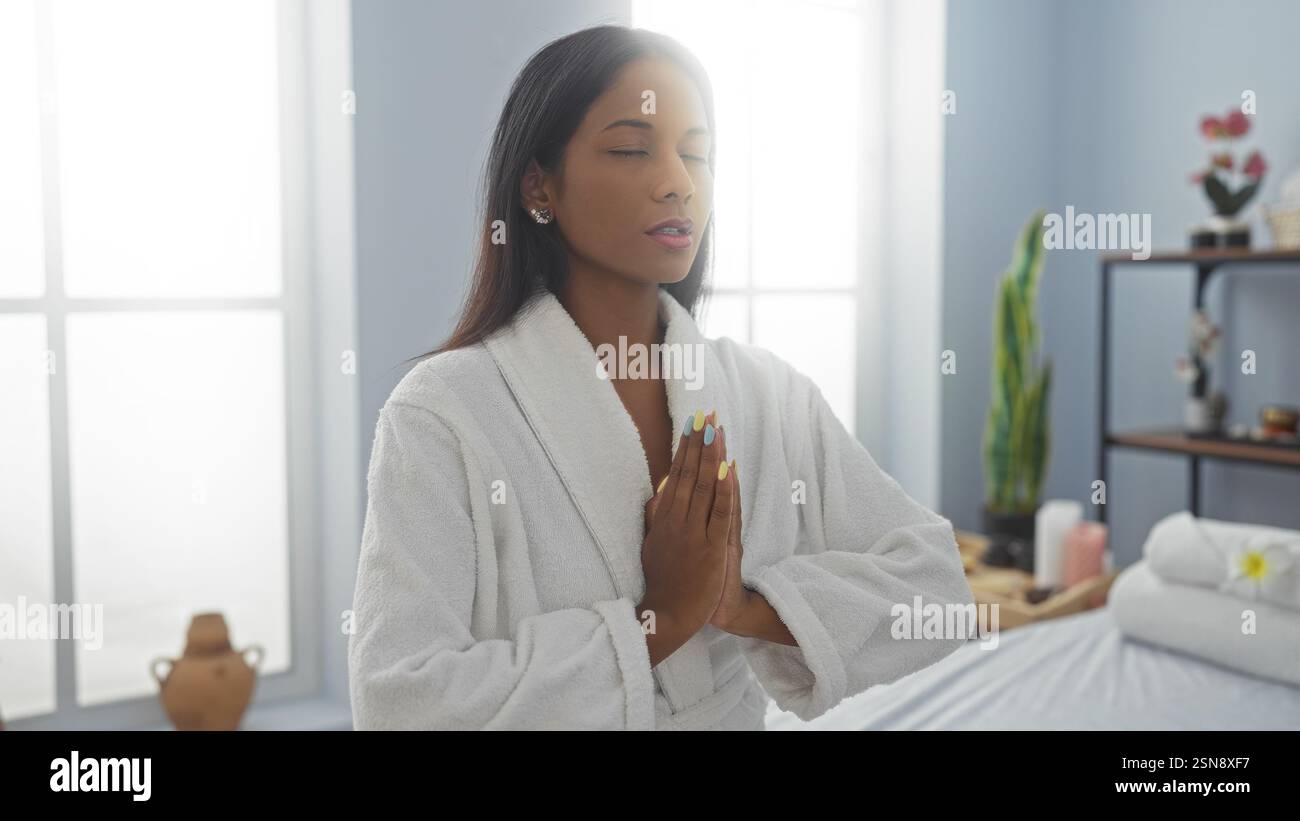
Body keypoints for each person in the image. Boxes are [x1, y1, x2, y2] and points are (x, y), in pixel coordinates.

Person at [347, 24, 974, 730]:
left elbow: (936, 587)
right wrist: (659, 621)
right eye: (630, 148)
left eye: (697, 154)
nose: (677, 181)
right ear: (538, 185)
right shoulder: (442, 414)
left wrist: (743, 604)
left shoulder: (769, 394)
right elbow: (397, 701)